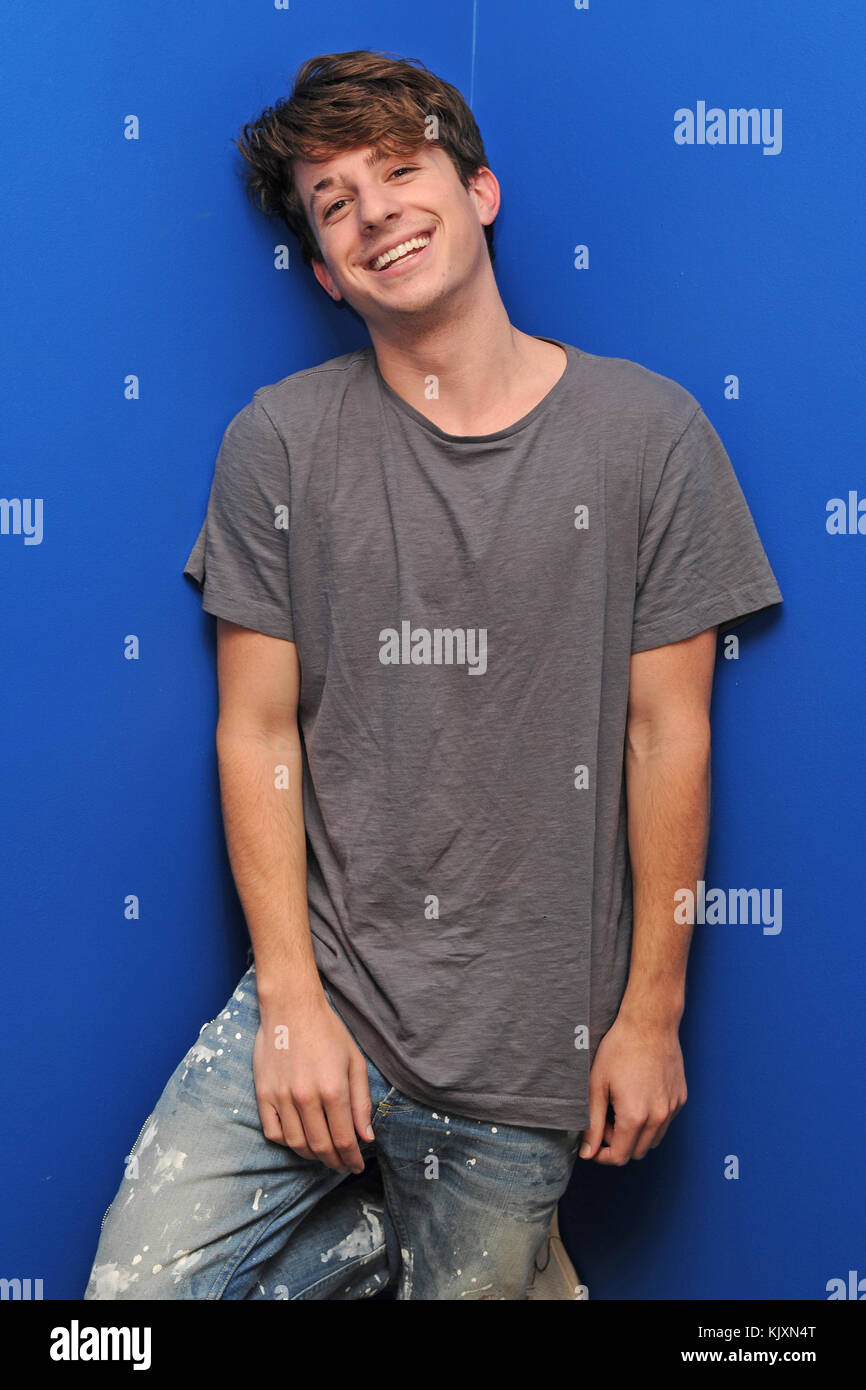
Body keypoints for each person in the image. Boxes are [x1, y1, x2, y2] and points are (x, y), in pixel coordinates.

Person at [83, 49, 783, 1301]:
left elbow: (665, 739)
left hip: (528, 1048)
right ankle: (399, 1245)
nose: (374, 212)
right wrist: (289, 1001)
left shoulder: (651, 434)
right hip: (326, 997)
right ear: (318, 268)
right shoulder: (276, 443)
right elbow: (258, 734)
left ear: (479, 191)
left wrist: (647, 1016)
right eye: (332, 202)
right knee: (122, 1317)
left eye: (399, 170)